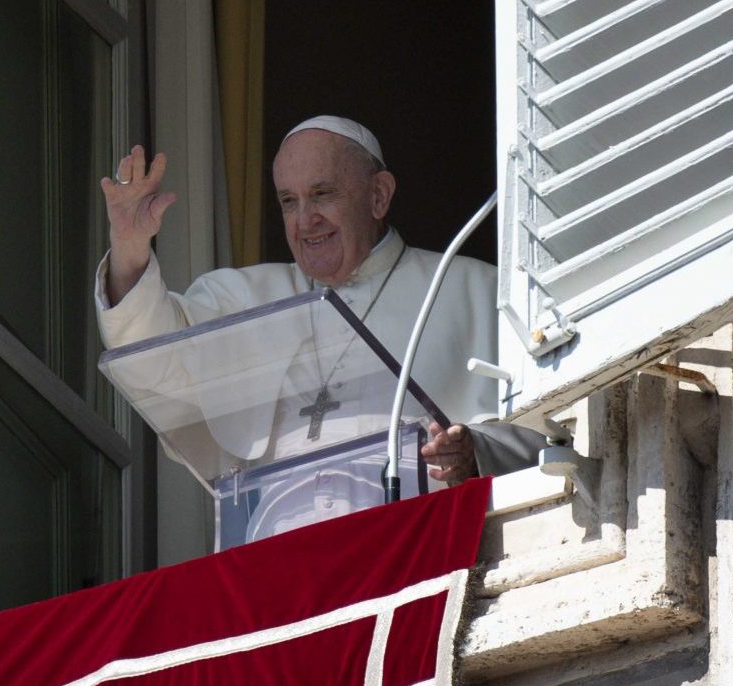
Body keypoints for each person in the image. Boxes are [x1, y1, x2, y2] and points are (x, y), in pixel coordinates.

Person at [95, 115, 543, 485]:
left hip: (417, 548)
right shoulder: (240, 298)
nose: (306, 220)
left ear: (378, 195)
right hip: (277, 552)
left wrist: (476, 451)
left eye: (322, 194)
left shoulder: (477, 292)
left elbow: (554, 432)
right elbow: (152, 365)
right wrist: (130, 246)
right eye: (289, 201)